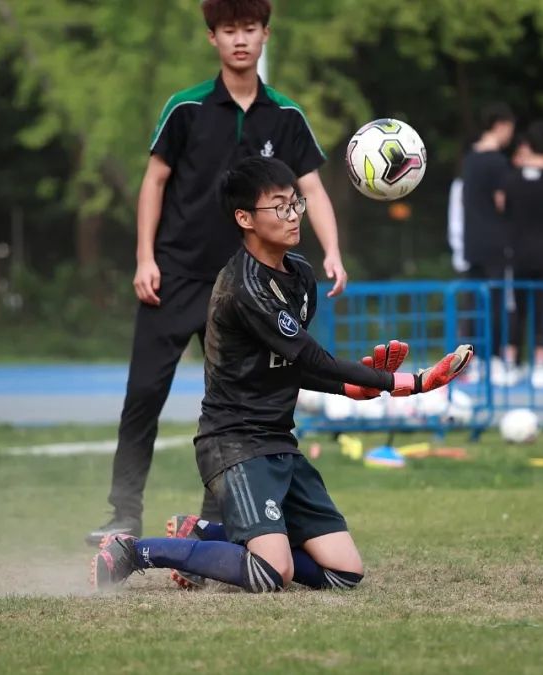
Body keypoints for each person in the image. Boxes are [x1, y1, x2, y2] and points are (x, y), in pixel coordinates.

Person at [90, 156, 472, 593]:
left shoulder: (300, 276)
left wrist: (352, 386)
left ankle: (203, 533)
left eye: (296, 204)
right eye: (279, 207)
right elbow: (309, 356)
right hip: (233, 444)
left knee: (344, 574)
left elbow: (290, 363)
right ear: (244, 218)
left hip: (278, 442)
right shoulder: (244, 287)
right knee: (272, 572)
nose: (293, 216)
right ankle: (134, 551)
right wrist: (410, 383)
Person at [87, 0, 349, 546]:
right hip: (175, 277)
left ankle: (216, 525)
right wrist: (144, 257)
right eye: (228, 30)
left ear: (264, 35)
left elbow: (313, 190)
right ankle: (123, 515)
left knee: (239, 409)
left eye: (249, 29)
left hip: (245, 290)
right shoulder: (184, 109)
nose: (239, 40)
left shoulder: (286, 116)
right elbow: (153, 183)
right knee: (144, 396)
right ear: (213, 38)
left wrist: (333, 251)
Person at [496, 121, 543, 390]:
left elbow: (503, 210)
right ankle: (541, 364)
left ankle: (510, 362)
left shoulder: (510, 181)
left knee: (514, 307)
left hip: (516, 252)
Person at [460, 103, 515, 382]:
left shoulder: (470, 159)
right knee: (494, 302)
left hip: (473, 241)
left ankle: (475, 359)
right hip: (495, 241)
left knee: (474, 302)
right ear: (501, 125)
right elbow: (502, 201)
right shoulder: (497, 161)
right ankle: (493, 359)